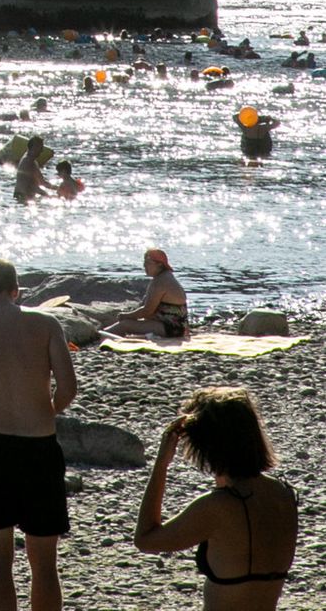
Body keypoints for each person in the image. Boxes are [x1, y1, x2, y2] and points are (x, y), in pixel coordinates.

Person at [0, 255, 78, 611]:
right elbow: (68, 387)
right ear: (16, 290)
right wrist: (48, 410)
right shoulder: (46, 324)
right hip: (40, 448)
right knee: (45, 567)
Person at [134, 386, 297, 605]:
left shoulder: (218, 507)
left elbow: (145, 539)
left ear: (207, 448)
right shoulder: (284, 495)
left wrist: (161, 464)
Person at [104, 248, 188, 339]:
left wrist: (126, 315)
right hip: (178, 327)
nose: (144, 266)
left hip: (172, 328)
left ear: (159, 264)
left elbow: (147, 311)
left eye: (148, 263)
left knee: (124, 325)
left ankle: (103, 339)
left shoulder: (160, 282)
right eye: (144, 263)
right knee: (128, 322)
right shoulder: (165, 277)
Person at [14, 137, 50, 205]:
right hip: (22, 198)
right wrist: (47, 195)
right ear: (34, 147)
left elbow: (43, 183)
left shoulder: (33, 161)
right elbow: (31, 186)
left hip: (26, 197)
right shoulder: (27, 162)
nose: (42, 151)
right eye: (40, 148)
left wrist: (60, 188)